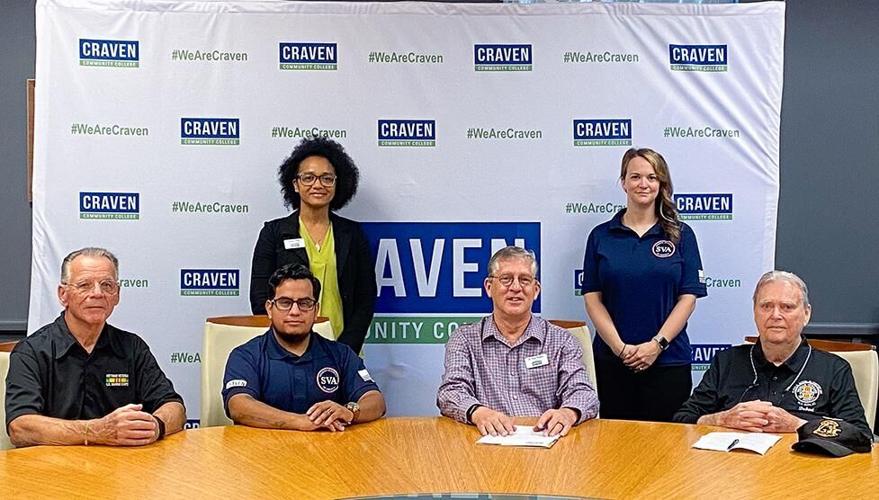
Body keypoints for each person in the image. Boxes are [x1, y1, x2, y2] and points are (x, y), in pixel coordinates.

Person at [5, 247, 185, 447]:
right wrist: (97, 431)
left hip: (119, 470)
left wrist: (155, 425)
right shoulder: (31, 351)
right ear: (63, 294)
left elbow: (174, 406)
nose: (97, 293)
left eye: (107, 285)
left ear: (117, 295)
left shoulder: (132, 347)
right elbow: (20, 427)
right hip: (53, 469)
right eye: (84, 285)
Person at [581, 147, 707, 422]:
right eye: (635, 176)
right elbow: (592, 299)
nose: (643, 184)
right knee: (615, 451)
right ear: (623, 182)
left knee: (669, 452)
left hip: (668, 362)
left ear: (661, 184)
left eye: (652, 177)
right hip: (613, 363)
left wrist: (656, 345)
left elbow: (688, 298)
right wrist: (620, 349)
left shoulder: (681, 235)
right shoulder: (601, 236)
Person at [673, 271, 871, 439]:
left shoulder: (834, 369)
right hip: (735, 473)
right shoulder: (727, 362)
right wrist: (720, 419)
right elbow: (681, 420)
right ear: (755, 311)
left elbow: (861, 436)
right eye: (766, 306)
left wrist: (798, 425)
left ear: (806, 314)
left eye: (787, 307)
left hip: (805, 473)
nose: (775, 315)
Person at [437, 246, 599, 438]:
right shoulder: (464, 339)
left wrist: (567, 413)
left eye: (524, 280)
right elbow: (450, 391)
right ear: (489, 287)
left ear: (535, 290)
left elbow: (584, 392)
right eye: (506, 279)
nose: (515, 287)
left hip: (546, 447)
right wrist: (478, 413)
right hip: (486, 445)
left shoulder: (562, 340)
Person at [250, 137, 376, 354]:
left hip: (342, 348)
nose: (318, 185)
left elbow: (365, 298)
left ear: (338, 183)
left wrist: (346, 349)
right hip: (285, 351)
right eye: (308, 177)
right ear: (295, 184)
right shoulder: (273, 233)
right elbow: (260, 297)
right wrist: (284, 344)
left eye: (327, 178)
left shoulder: (353, 234)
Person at [225, 264, 385, 431]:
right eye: (285, 303)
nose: (295, 311)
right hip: (262, 452)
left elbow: (375, 400)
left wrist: (350, 411)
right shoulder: (245, 356)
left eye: (305, 303)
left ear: (315, 310)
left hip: (328, 453)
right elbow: (238, 406)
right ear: (269, 308)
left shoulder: (341, 354)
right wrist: (299, 422)